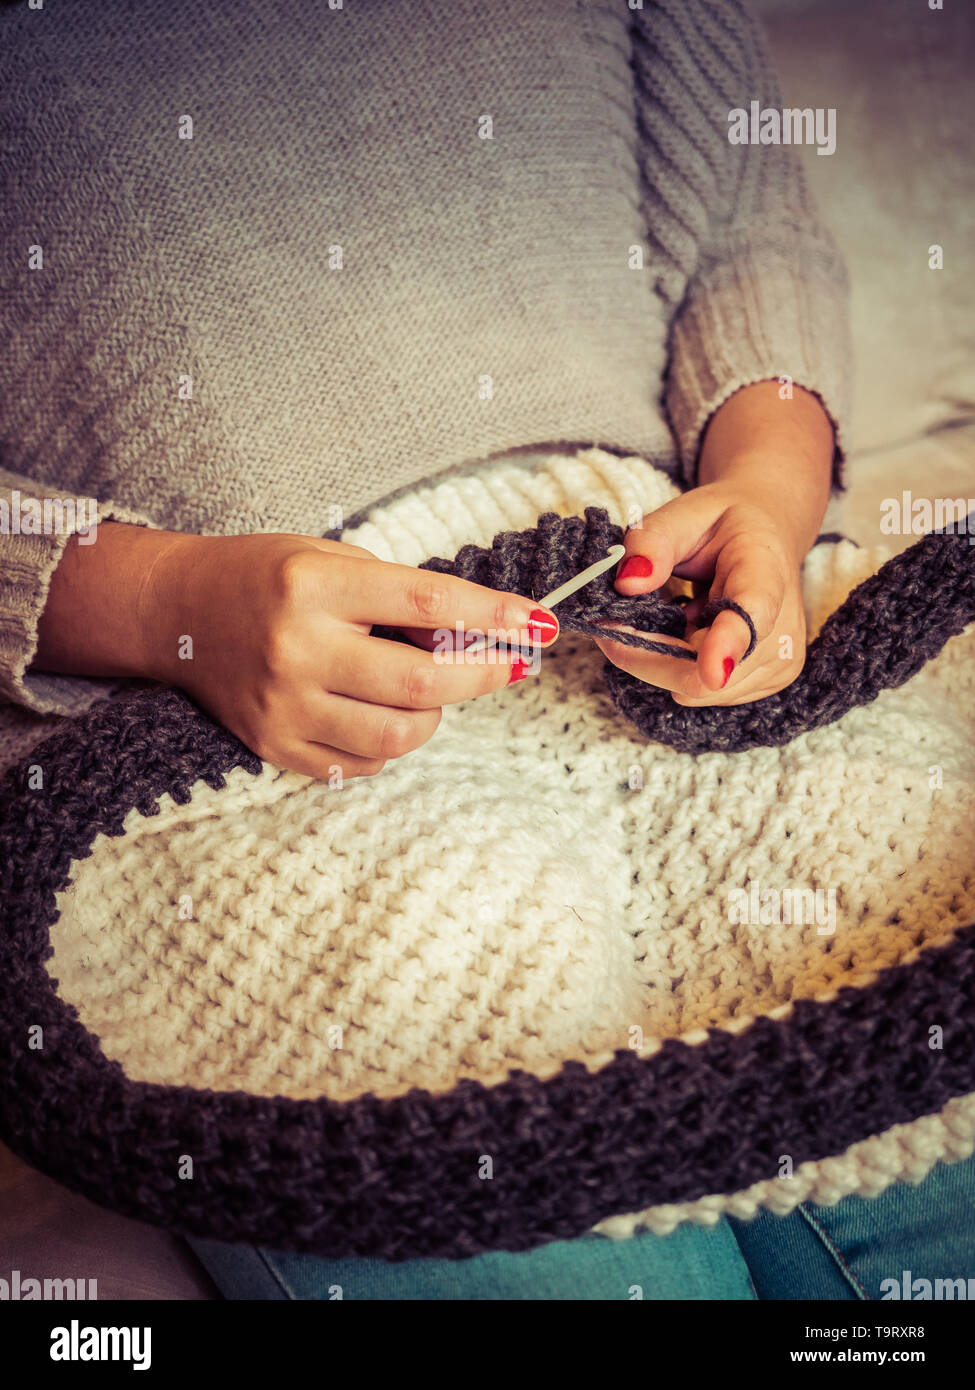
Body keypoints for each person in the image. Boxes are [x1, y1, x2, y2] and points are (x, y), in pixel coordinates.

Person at [2, 0, 970, 1298]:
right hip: (247, 740)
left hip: (668, 627)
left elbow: (749, 231)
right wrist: (171, 595)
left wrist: (768, 497)